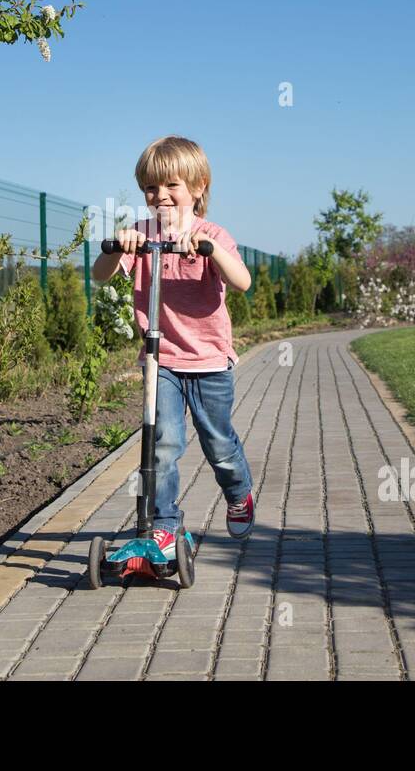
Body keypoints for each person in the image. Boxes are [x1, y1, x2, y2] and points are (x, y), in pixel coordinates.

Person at [92, 135, 256, 561]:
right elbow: (99, 275)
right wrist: (118, 245)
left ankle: (239, 494)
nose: (160, 197)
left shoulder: (211, 234)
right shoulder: (142, 234)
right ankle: (163, 527)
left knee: (218, 443)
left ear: (198, 188)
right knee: (162, 443)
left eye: (171, 187)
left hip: (208, 361)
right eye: (151, 189)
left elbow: (242, 281)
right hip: (159, 360)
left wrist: (209, 249)